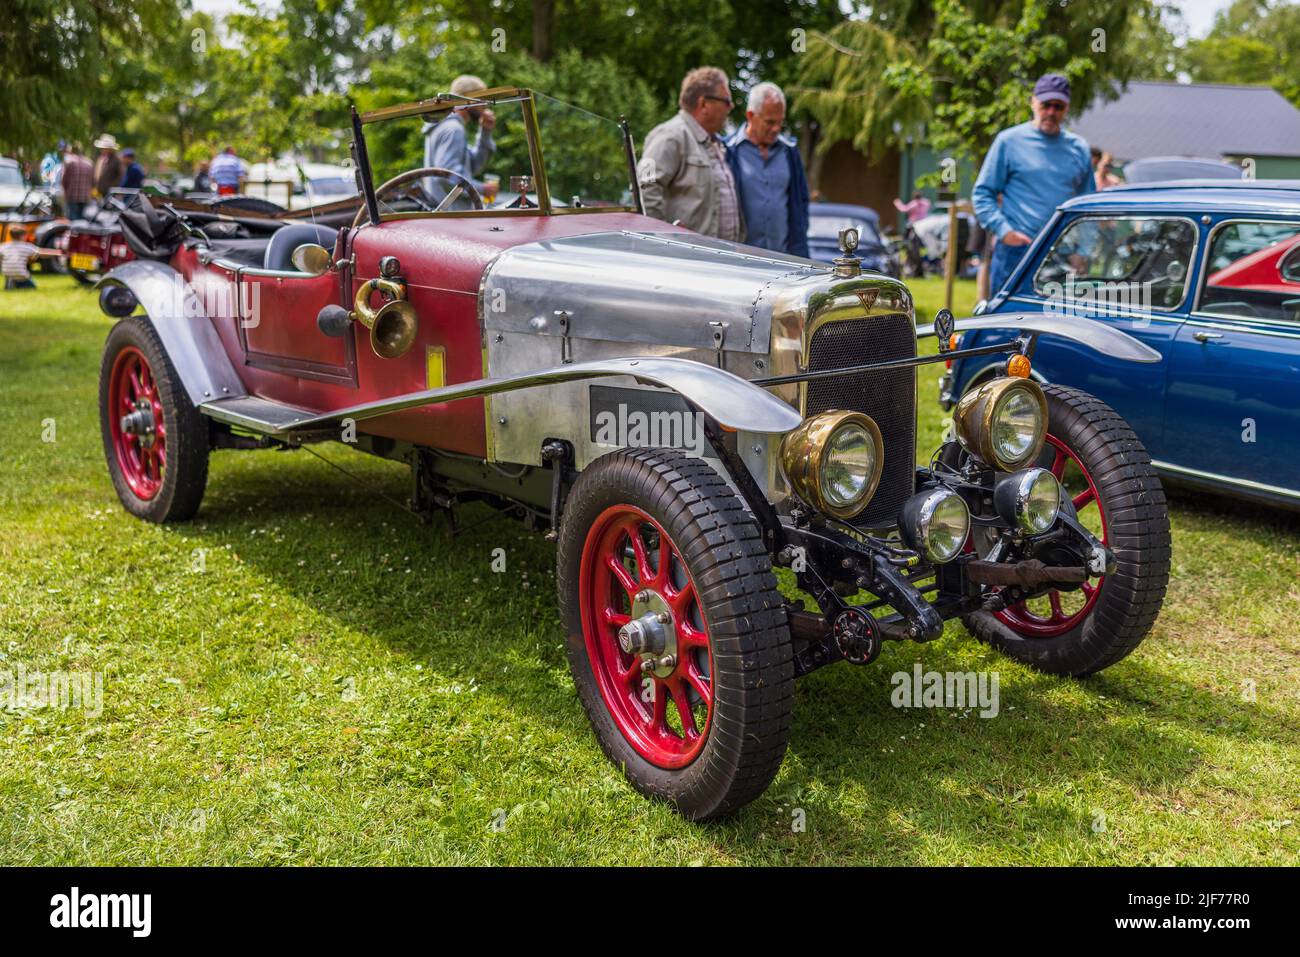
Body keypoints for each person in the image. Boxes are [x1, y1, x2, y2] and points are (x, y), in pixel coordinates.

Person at [973, 73, 1094, 294]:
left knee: (1059, 325)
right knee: (1007, 324)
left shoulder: (1079, 148)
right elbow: (983, 194)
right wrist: (1004, 231)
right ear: (1033, 102)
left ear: (1066, 109)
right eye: (1045, 104)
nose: (1051, 112)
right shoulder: (1008, 141)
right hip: (1016, 251)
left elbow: (1089, 205)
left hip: (1063, 254)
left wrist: (1084, 250)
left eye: (1058, 106)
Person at [638, 66, 743, 241]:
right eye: (726, 101)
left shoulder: (716, 143)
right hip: (688, 261)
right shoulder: (670, 136)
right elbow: (644, 187)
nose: (730, 107)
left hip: (719, 260)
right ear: (704, 104)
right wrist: (663, 238)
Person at [724, 82, 809, 256]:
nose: (776, 129)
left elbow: (801, 202)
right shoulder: (727, 150)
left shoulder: (790, 152)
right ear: (750, 115)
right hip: (739, 260)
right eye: (770, 122)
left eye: (780, 122)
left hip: (784, 260)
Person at [422, 74, 497, 209]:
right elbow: (446, 175)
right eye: (480, 99)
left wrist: (485, 132)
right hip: (451, 218)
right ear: (465, 99)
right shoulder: (453, 129)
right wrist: (481, 189)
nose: (485, 105)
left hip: (445, 215)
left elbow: (474, 165)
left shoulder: (446, 126)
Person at [61, 144, 93, 221]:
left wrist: (64, 193)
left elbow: (64, 180)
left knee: (72, 222)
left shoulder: (69, 162)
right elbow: (92, 181)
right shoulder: (89, 163)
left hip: (72, 197)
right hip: (85, 197)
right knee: (83, 221)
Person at [92, 134, 122, 199]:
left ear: (110, 149)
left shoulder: (117, 160)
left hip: (110, 192)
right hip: (98, 191)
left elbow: (120, 176)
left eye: (105, 148)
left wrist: (112, 187)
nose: (103, 149)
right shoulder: (100, 158)